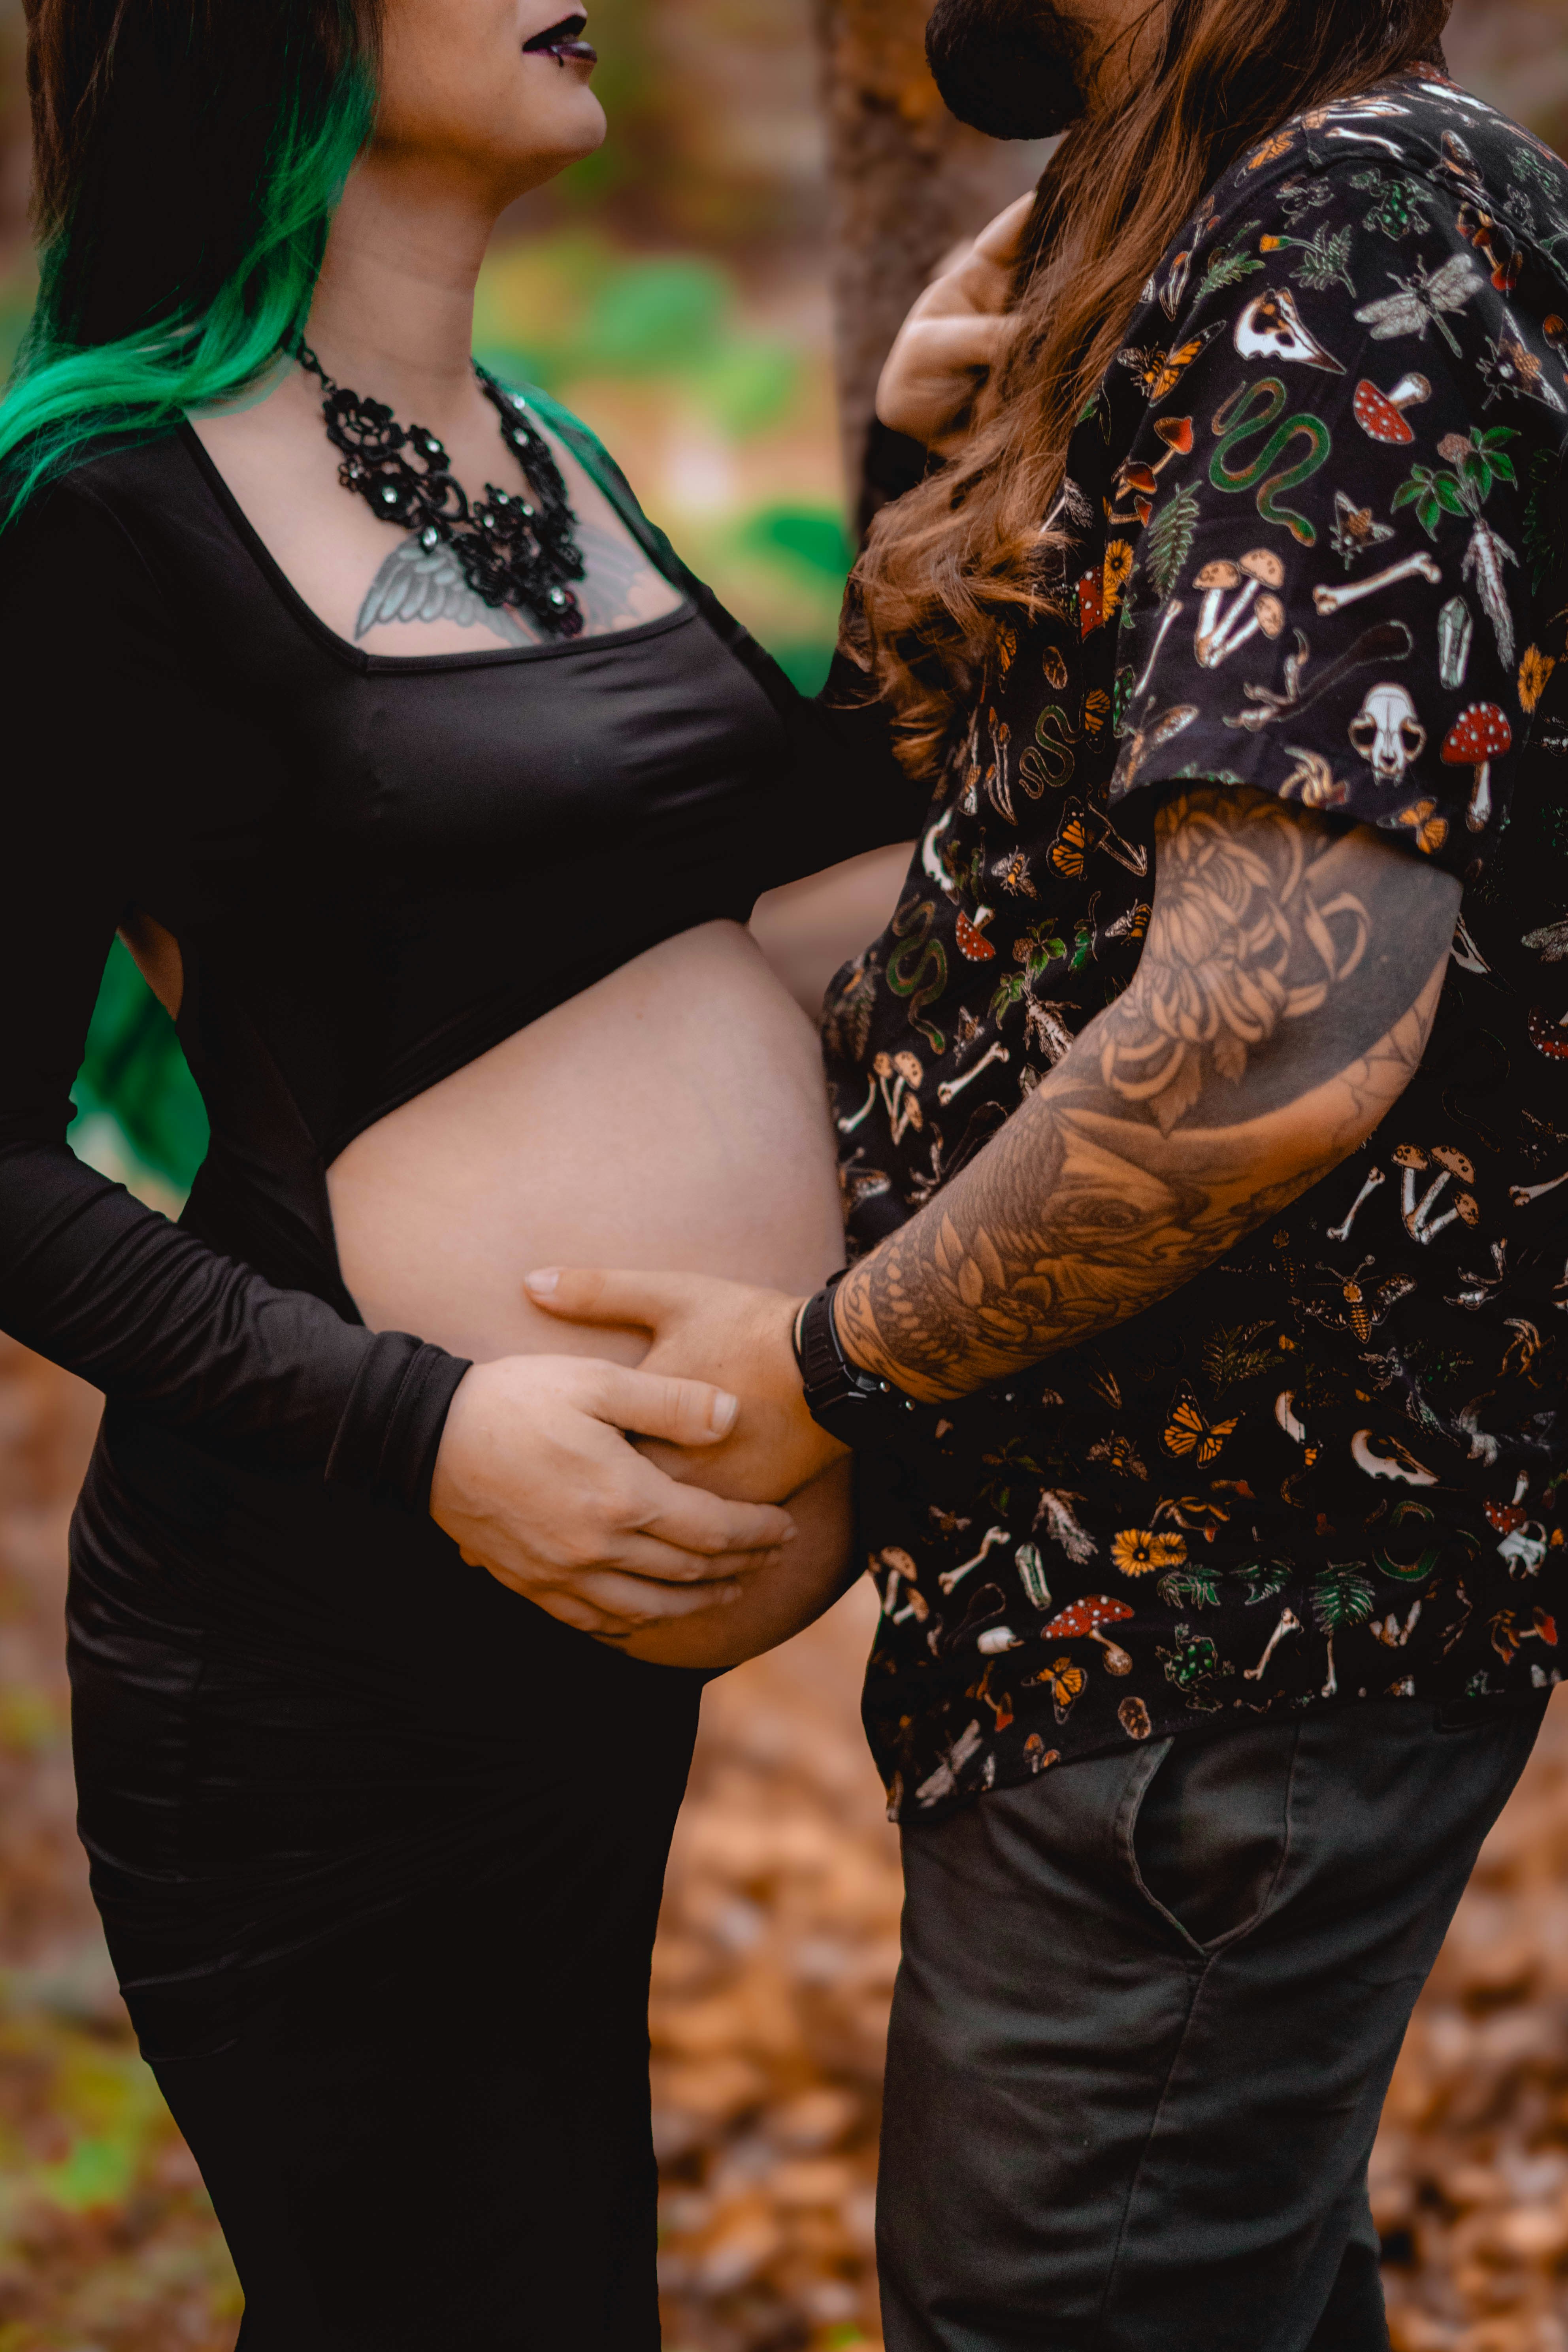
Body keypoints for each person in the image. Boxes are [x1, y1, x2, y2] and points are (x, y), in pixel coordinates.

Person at [533, 1, 1568, 2343]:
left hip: (1216, 1626)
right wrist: (929, 470)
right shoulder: (1281, 230)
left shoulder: (1349, 225)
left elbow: (1276, 1025)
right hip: (1156, 1639)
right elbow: (1004, 881)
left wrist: (821, 1374)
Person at [0, 2, 1021, 2340]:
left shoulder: (538, 448)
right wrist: (432, 1427)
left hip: (574, 1660)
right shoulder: (109, 508)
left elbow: (769, 877)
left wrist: (907, 467)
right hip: (311, 1630)